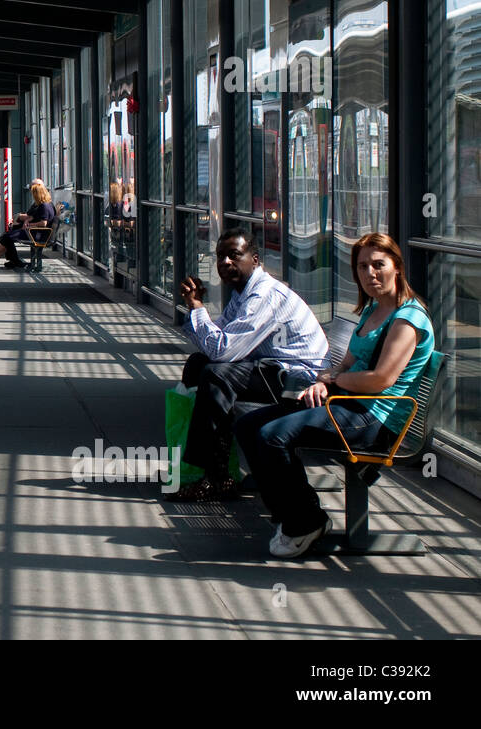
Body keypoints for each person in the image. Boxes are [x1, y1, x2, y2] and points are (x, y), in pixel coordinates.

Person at [234, 233, 435, 558]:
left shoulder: (407, 320)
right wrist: (324, 383)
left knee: (273, 437)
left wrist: (334, 380)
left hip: (375, 419)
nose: (370, 273)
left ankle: (304, 522)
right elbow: (347, 363)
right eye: (362, 266)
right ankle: (292, 514)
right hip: (349, 403)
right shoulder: (374, 310)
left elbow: (381, 379)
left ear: (396, 267)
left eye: (378, 265)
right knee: (249, 425)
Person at [167, 228, 329, 502]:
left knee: (217, 375)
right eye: (220, 257)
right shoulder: (242, 293)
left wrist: (197, 307)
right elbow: (213, 341)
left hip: (299, 381)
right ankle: (213, 470)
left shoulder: (262, 296)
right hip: (273, 370)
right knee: (200, 364)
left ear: (254, 259)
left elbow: (222, 350)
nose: (225, 263)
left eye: (234, 256)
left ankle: (214, 476)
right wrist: (195, 306)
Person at [0, 181, 54, 269]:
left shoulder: (44, 206)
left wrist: (30, 224)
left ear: (38, 194)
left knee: (7, 237)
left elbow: (43, 223)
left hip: (36, 234)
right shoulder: (46, 204)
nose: (33, 196)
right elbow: (34, 216)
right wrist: (28, 220)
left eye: (34, 194)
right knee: (7, 237)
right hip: (35, 233)